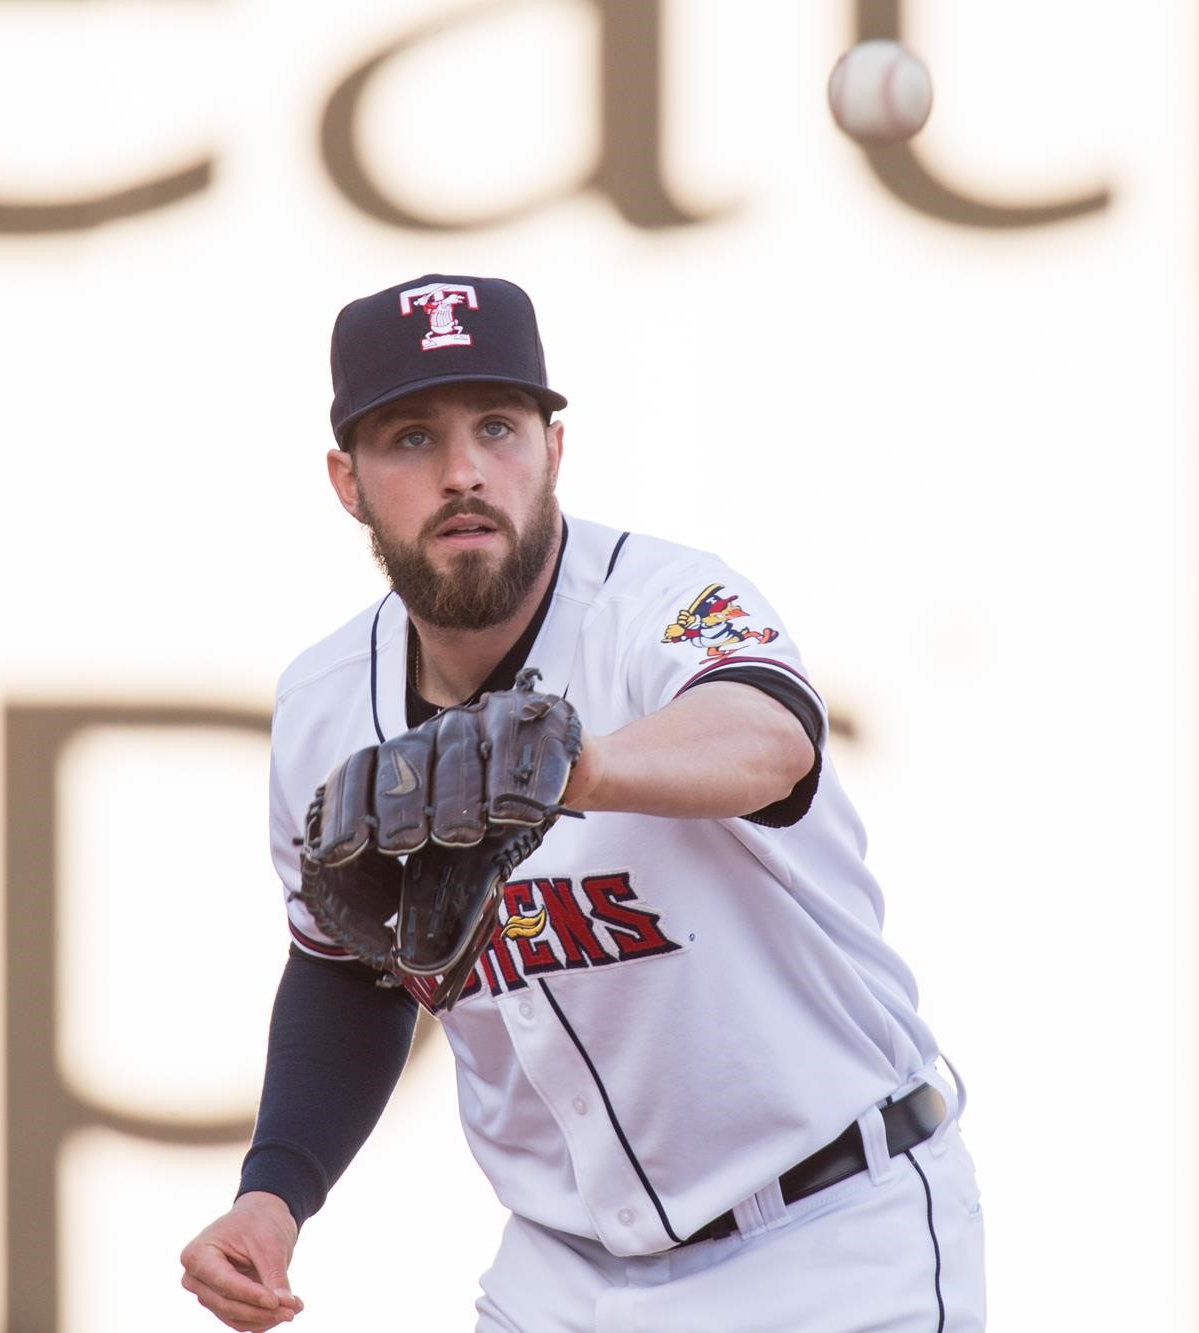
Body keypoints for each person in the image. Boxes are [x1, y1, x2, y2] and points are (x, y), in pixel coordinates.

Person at [179, 274, 985, 1331]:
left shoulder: (661, 604)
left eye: (498, 426)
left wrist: (572, 767)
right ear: (347, 479)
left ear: (554, 449)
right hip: (564, 1278)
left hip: (829, 1239)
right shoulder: (326, 706)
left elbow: (769, 738)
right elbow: (350, 971)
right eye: (411, 439)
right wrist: (275, 1192)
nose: (464, 471)